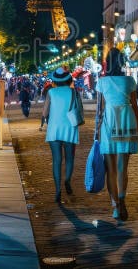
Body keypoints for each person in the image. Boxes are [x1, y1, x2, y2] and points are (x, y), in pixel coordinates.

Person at [96, 50, 138, 220]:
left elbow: (99, 110)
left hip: (109, 122)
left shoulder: (102, 82)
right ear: (122, 62)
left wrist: (97, 131)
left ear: (107, 62)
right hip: (127, 120)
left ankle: (115, 205)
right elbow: (135, 106)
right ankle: (122, 201)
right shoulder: (130, 81)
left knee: (111, 169)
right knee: (123, 167)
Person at [41, 68, 83, 202]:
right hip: (70, 127)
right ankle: (67, 180)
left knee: (56, 160)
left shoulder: (51, 92)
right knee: (70, 158)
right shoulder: (74, 92)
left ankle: (58, 189)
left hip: (54, 129)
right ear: (68, 79)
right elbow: (80, 110)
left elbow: (45, 113)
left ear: (55, 80)